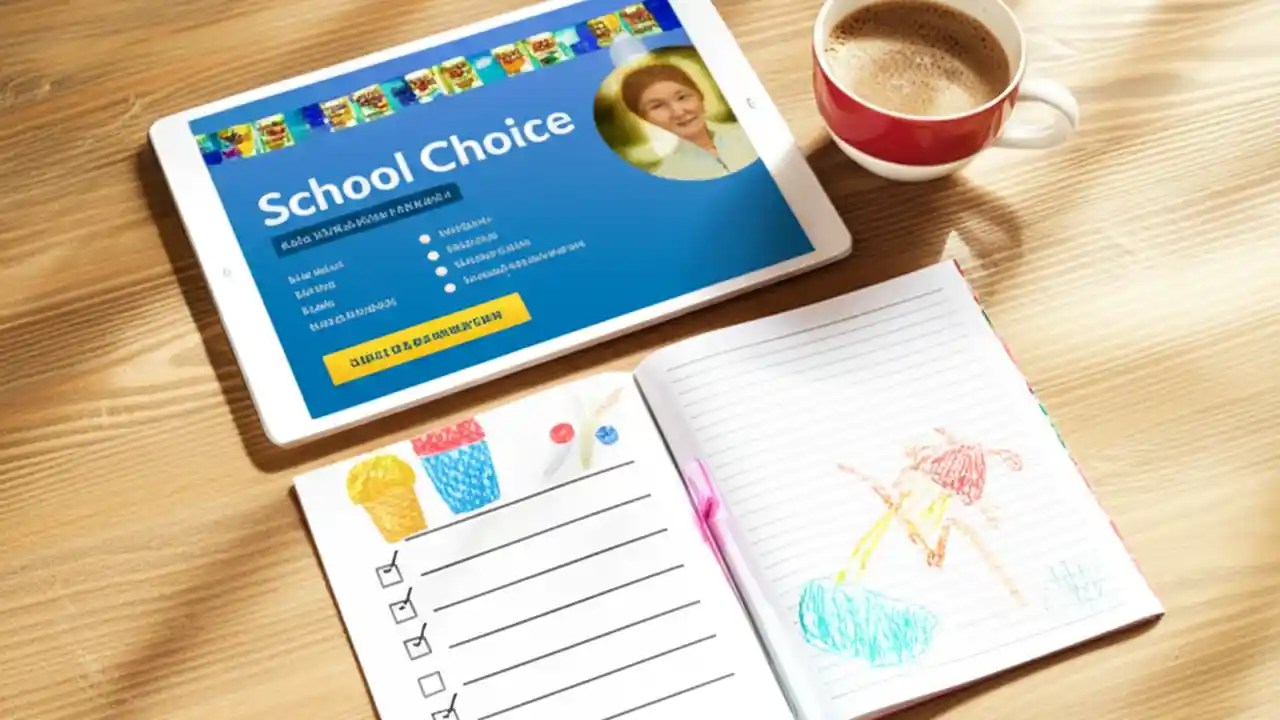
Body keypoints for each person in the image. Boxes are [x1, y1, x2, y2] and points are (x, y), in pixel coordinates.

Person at [619, 63, 758, 180]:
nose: (678, 112)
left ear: (699, 95)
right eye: (658, 106)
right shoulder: (668, 175)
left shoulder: (752, 132)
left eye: (682, 97)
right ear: (644, 118)